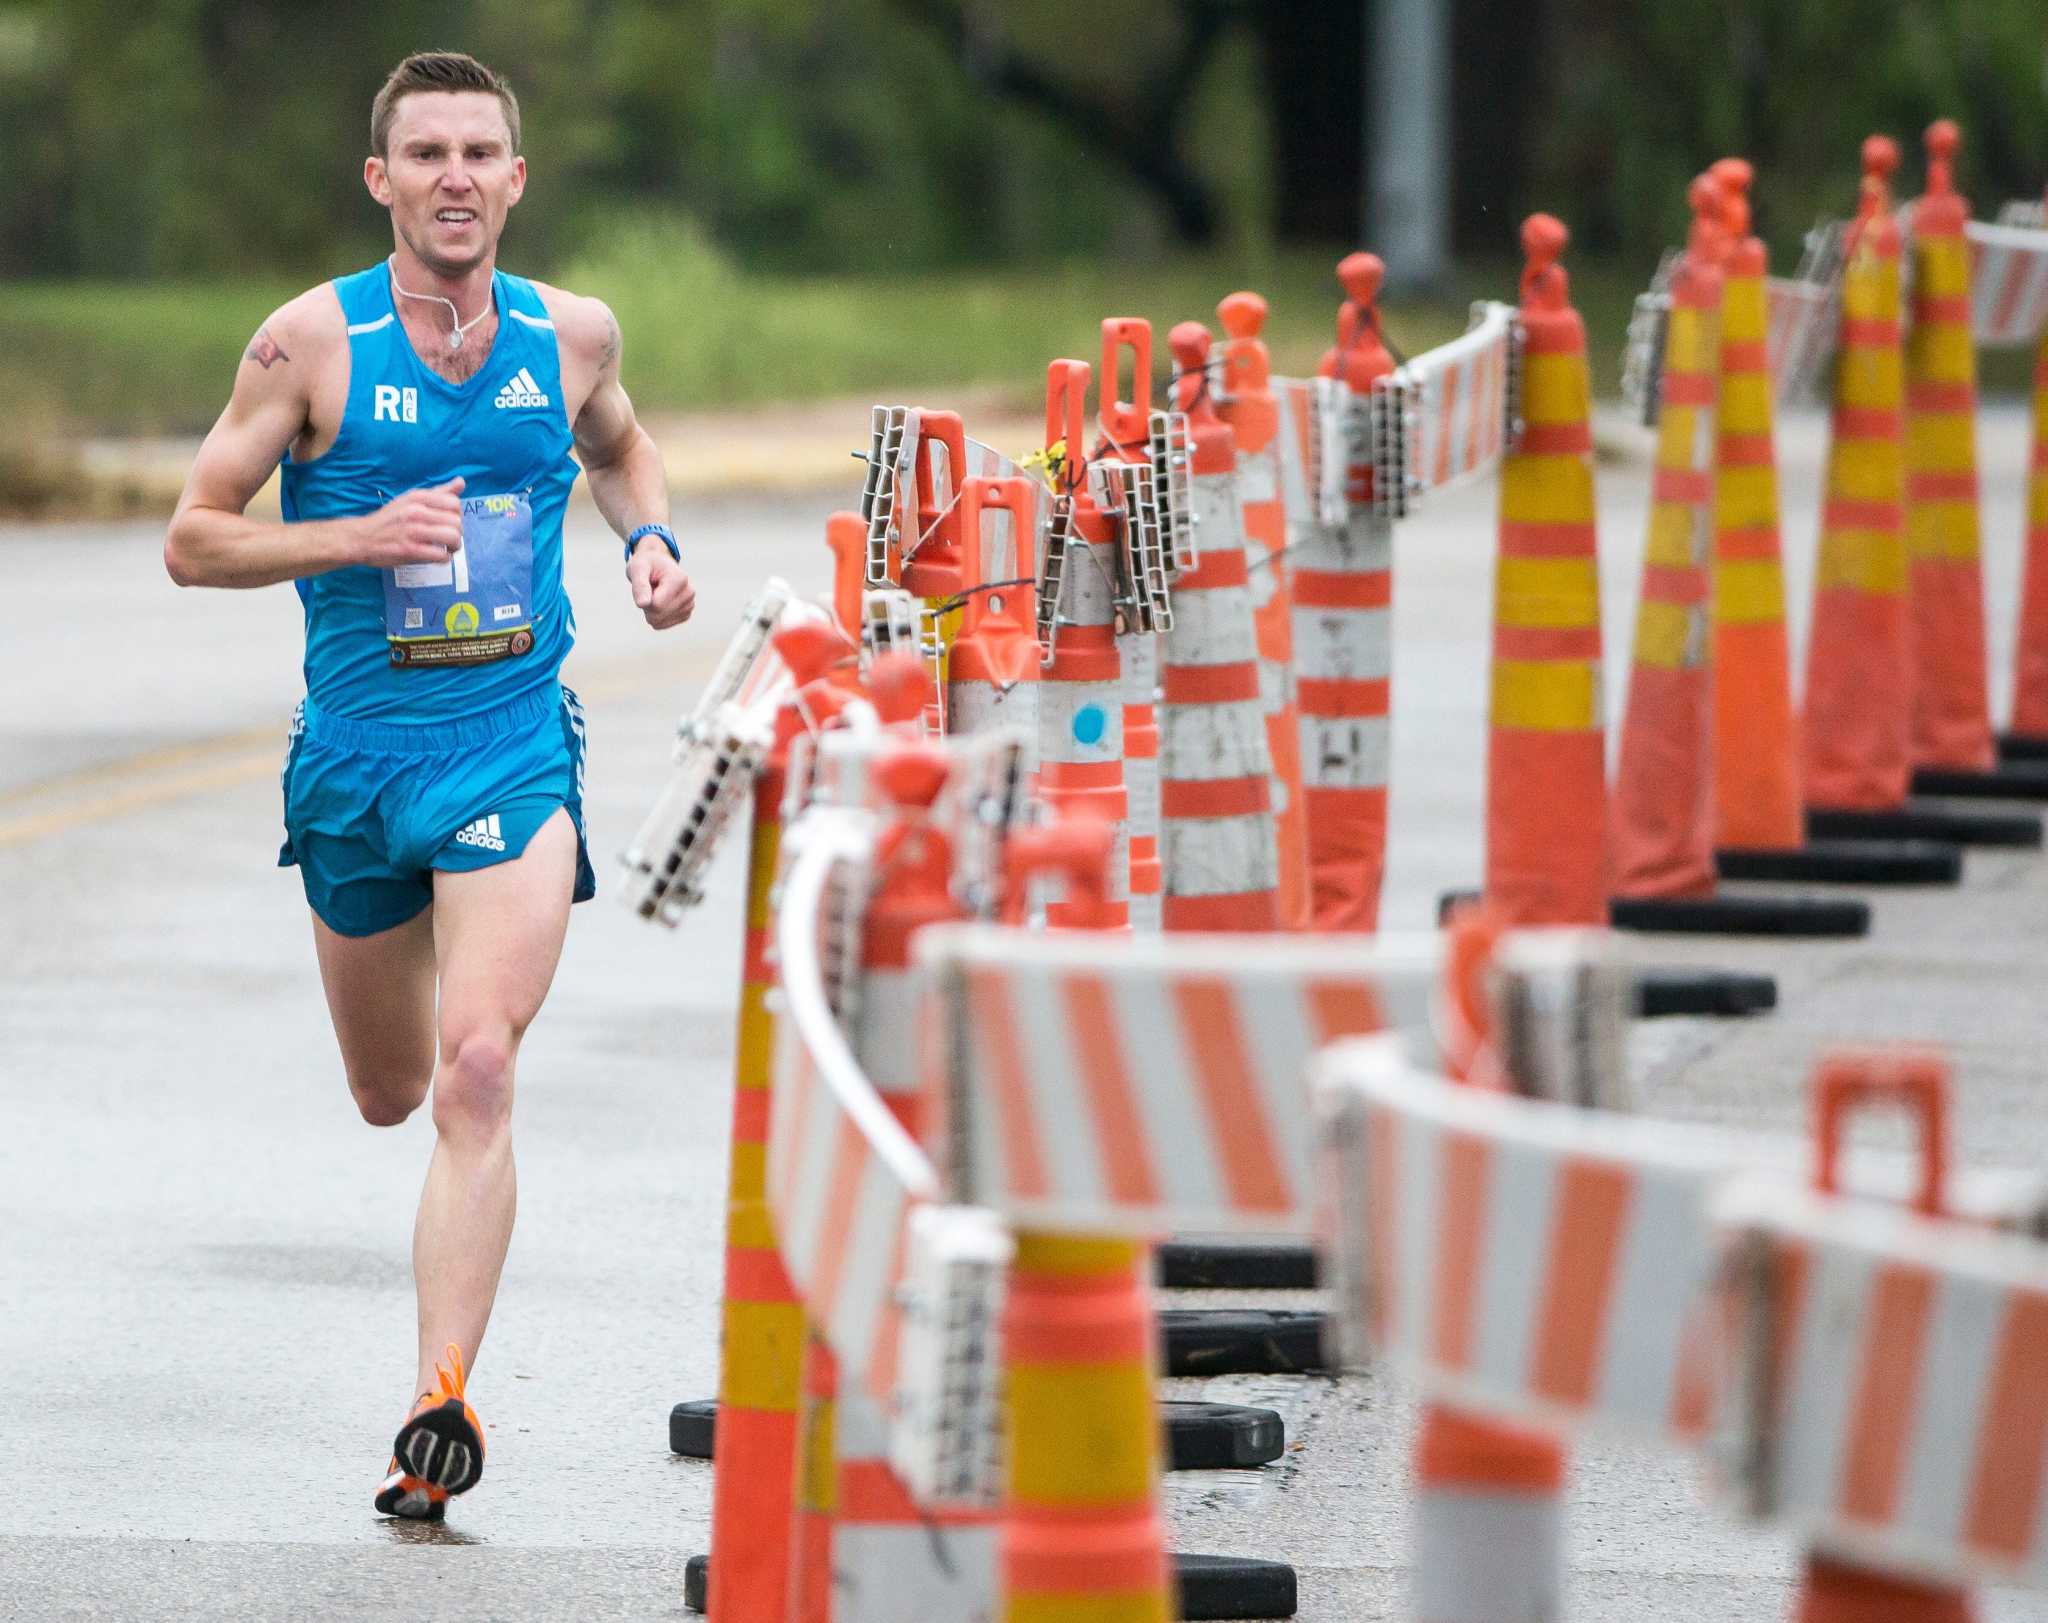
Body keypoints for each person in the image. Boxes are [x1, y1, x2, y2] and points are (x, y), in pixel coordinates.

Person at [163, 49, 694, 1522]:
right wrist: (354, 537)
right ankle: (435, 1368)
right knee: (392, 1090)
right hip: (353, 764)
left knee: (478, 1066)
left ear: (517, 180)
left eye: (481, 152)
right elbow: (194, 537)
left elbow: (624, 447)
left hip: (510, 744)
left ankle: (437, 1401)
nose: (455, 176)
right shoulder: (306, 348)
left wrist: (653, 543)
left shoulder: (571, 335)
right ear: (381, 180)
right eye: (427, 154)